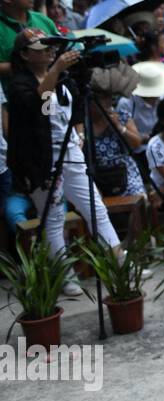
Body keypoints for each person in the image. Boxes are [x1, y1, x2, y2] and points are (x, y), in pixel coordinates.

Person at [7, 34, 120, 296]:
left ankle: (118, 262)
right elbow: (37, 105)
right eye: (42, 48)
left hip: (71, 152)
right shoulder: (19, 84)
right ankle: (66, 277)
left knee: (95, 207)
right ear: (25, 55)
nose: (50, 52)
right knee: (54, 218)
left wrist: (79, 135)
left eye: (52, 48)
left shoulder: (64, 80)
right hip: (41, 160)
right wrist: (56, 68)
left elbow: (77, 107)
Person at [0, 0, 59, 83]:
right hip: (13, 95)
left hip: (51, 89)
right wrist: (29, 65)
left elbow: (58, 46)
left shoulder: (42, 19)